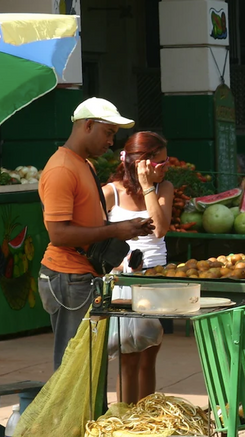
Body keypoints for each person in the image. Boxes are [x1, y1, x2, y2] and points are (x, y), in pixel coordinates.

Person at [37, 97, 154, 371]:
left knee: (88, 367)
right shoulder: (62, 168)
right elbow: (58, 235)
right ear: (88, 125)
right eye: (108, 133)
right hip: (68, 278)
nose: (111, 142)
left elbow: (89, 223)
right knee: (72, 369)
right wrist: (116, 229)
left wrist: (125, 228)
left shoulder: (84, 164)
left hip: (82, 276)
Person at [102, 131, 174, 404]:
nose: (165, 168)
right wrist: (117, 263)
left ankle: (146, 419)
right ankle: (125, 419)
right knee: (127, 357)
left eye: (167, 162)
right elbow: (97, 237)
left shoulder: (163, 188)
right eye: (160, 163)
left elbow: (159, 229)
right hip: (122, 280)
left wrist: (147, 186)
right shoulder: (110, 193)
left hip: (156, 278)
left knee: (149, 355)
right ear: (140, 162)